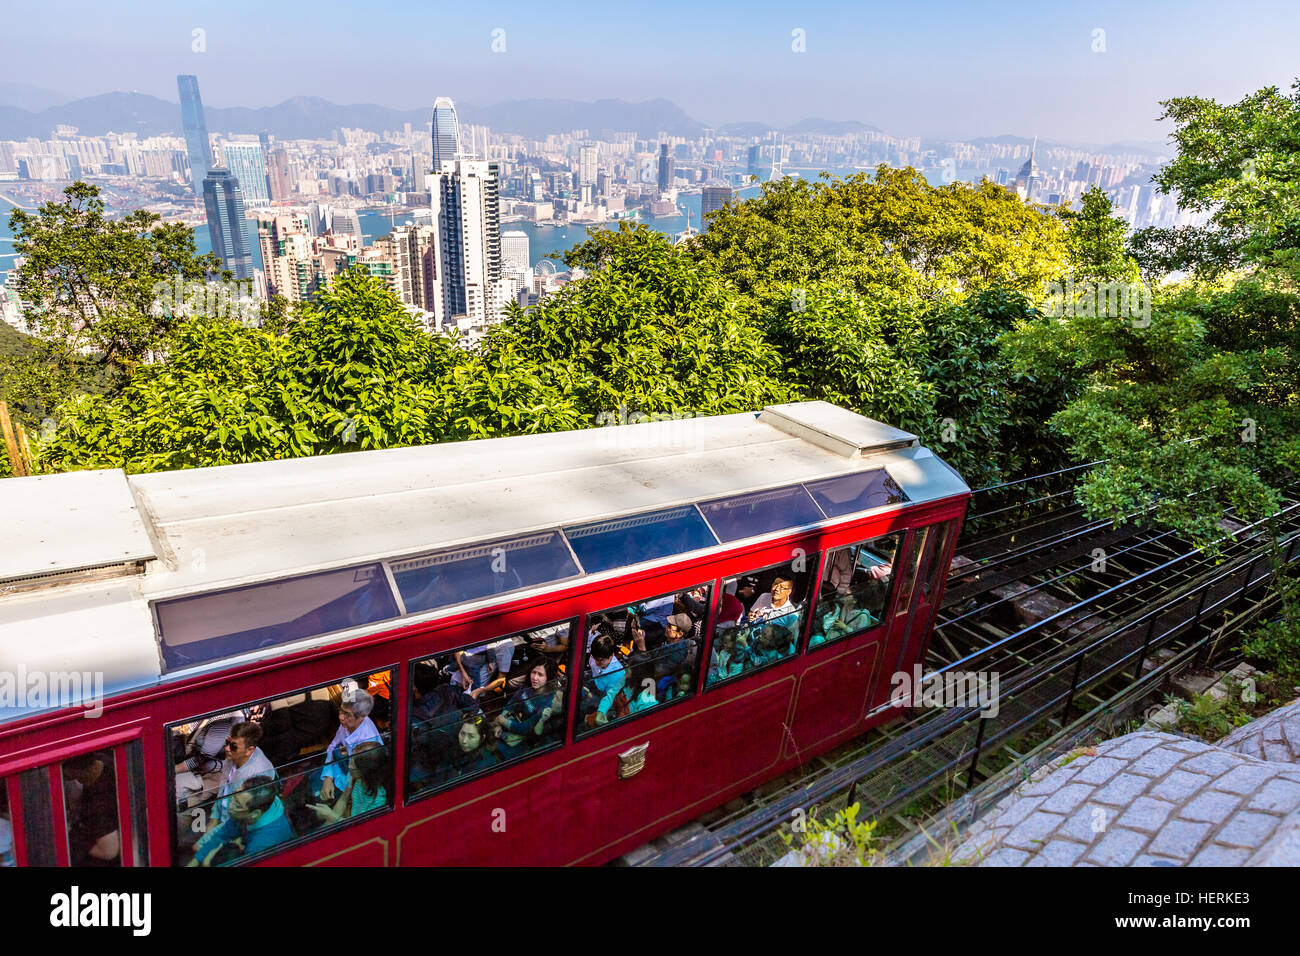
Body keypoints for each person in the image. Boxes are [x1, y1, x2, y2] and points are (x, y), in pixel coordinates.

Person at [188, 776, 293, 866]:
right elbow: (221, 835)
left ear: (254, 814)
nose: (230, 805)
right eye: (234, 797)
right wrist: (194, 863)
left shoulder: (262, 843)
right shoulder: (248, 809)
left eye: (237, 804)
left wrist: (207, 863)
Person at [208, 721, 278, 826]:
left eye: (233, 746)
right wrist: (215, 817)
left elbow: (244, 817)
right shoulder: (235, 755)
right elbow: (223, 789)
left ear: (249, 750)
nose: (227, 748)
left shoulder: (258, 774)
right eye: (227, 742)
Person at [318, 690, 383, 802]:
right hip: (343, 770)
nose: (341, 717)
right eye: (340, 710)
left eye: (347, 714)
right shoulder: (347, 724)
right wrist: (327, 777)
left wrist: (331, 778)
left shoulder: (367, 744)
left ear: (361, 717)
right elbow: (332, 747)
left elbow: (355, 781)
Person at [307, 742, 388, 824]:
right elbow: (344, 798)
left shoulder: (378, 800)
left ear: (367, 771)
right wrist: (327, 824)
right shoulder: (354, 778)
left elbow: (362, 828)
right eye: (351, 760)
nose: (349, 766)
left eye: (354, 765)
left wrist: (332, 817)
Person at [62, 752, 120, 867]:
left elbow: (109, 851)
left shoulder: (99, 804)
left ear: (76, 772)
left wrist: (73, 841)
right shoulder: (107, 761)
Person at [494, 659, 560, 754]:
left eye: (540, 675)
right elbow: (513, 703)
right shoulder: (528, 687)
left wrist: (504, 722)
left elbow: (527, 727)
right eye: (534, 672)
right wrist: (500, 722)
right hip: (515, 726)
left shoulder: (548, 702)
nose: (535, 678)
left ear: (549, 678)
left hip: (531, 740)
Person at [584, 634, 626, 726]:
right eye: (594, 658)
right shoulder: (595, 656)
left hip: (603, 697)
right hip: (592, 684)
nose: (596, 662)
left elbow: (610, 699)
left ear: (612, 655)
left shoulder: (618, 674)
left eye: (600, 660)